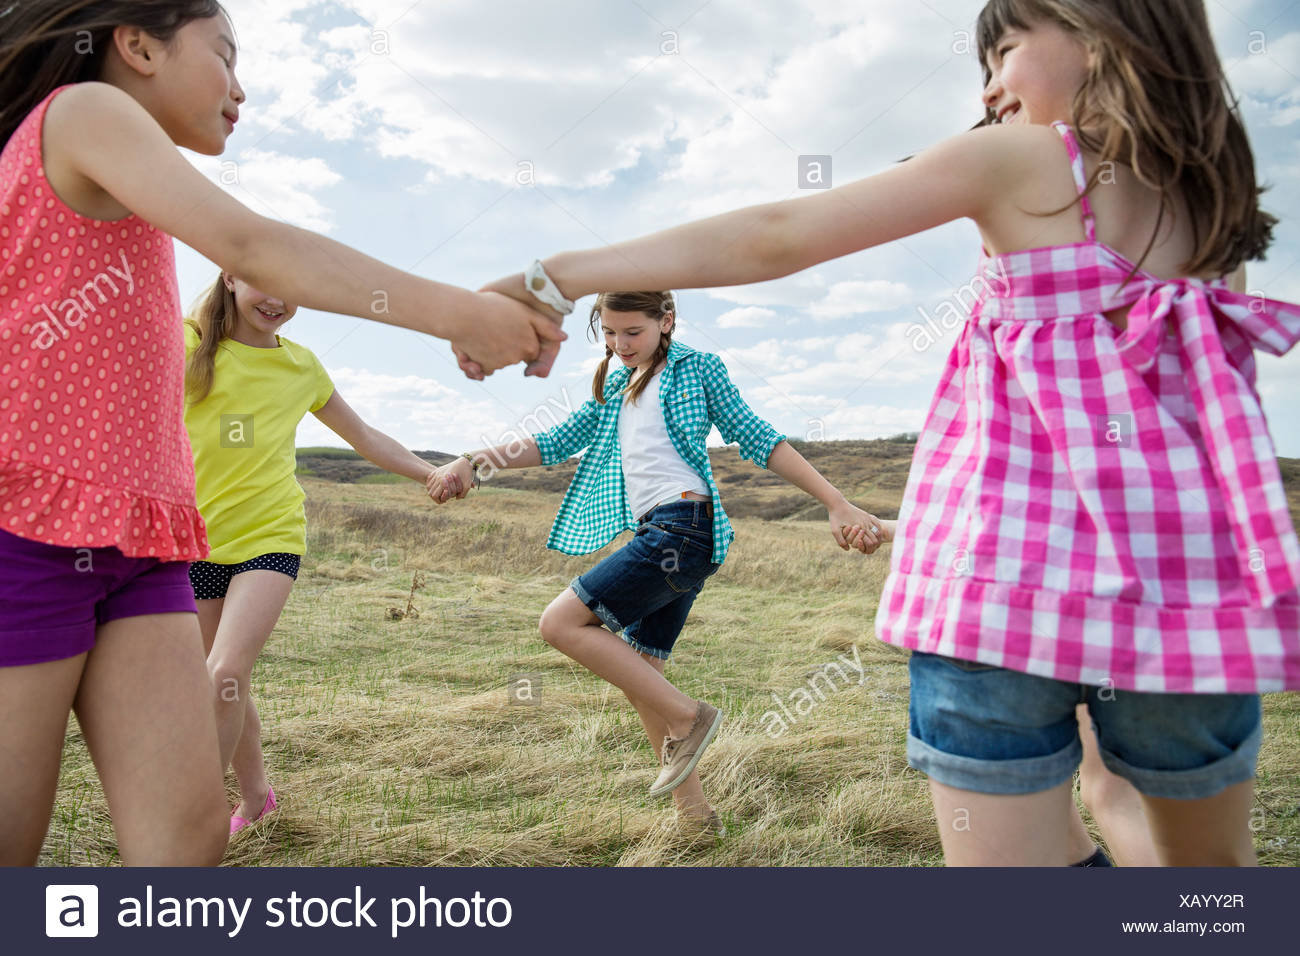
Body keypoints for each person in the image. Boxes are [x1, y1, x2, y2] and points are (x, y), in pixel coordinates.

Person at [460, 0, 1300, 865]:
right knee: (1207, 892)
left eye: (1004, 50)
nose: (990, 86)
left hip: (997, 599)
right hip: (1185, 608)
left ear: (1099, 29)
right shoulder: (1212, 220)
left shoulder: (1018, 161)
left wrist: (551, 279)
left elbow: (775, 237)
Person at [0, 1, 558, 866]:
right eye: (224, 56)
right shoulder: (86, 110)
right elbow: (252, 242)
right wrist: (460, 313)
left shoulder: (119, 165)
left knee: (186, 844)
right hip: (26, 535)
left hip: (140, 546)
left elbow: (348, 406)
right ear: (137, 44)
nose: (240, 89)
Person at [431, 291, 894, 835]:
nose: (620, 344)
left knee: (559, 622)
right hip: (661, 532)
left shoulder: (698, 370)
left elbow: (759, 437)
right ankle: (694, 818)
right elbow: (555, 440)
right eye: (609, 332)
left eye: (633, 332)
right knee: (645, 674)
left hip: (685, 528)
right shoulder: (614, 383)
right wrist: (474, 462)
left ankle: (690, 717)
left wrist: (835, 502)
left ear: (666, 320)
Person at [184, 272, 442, 836]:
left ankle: (194, 817)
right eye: (261, 283)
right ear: (230, 275)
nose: (277, 299)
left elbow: (365, 436)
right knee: (224, 681)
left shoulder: (301, 367)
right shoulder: (183, 343)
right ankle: (256, 801)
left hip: (270, 536)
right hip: (196, 540)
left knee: (225, 669)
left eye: (290, 286)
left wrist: (430, 472)